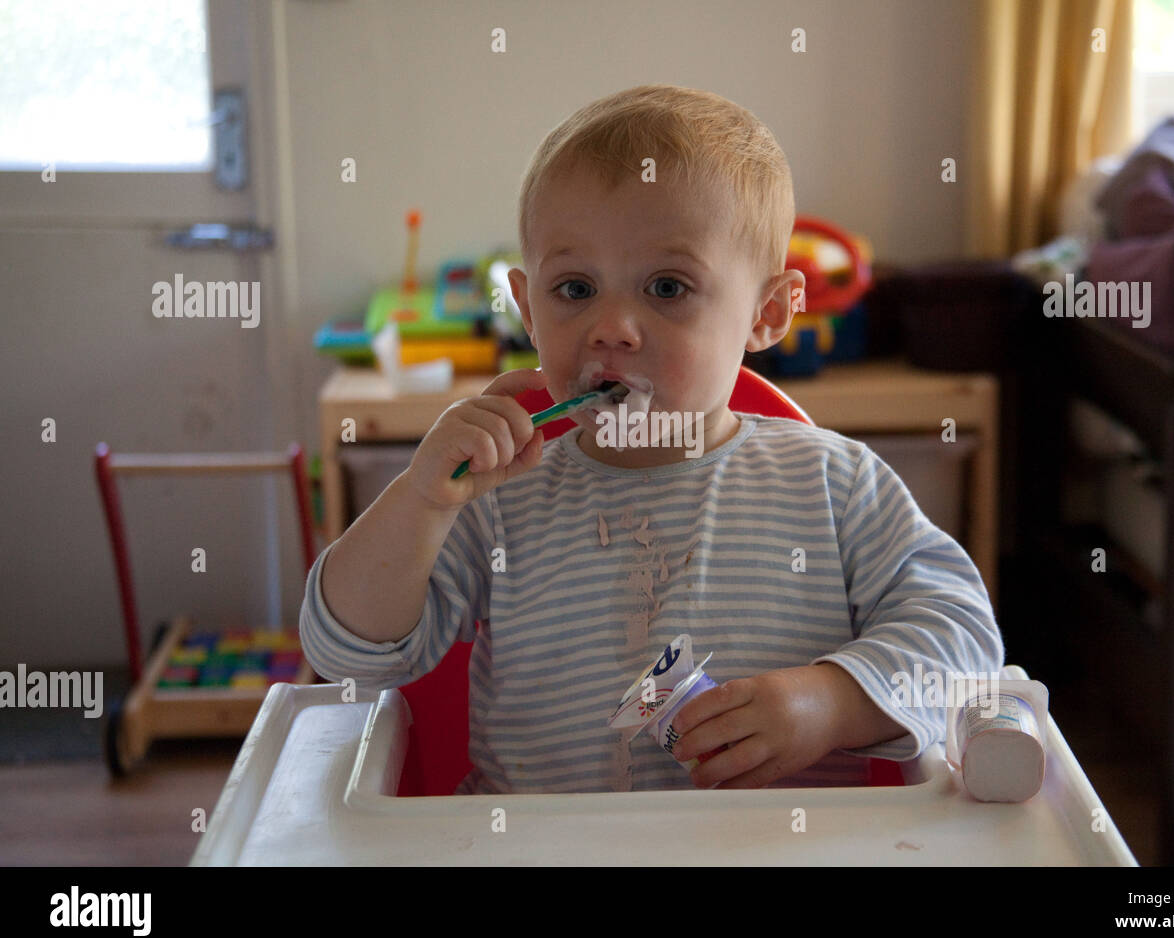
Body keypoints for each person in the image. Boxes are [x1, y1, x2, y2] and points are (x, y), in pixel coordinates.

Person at [301, 84, 1003, 793]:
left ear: (766, 313)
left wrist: (831, 702)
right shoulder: (499, 497)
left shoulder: (836, 486)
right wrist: (421, 502)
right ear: (527, 310)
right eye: (574, 289)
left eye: (667, 288)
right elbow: (348, 654)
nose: (611, 327)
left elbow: (968, 645)